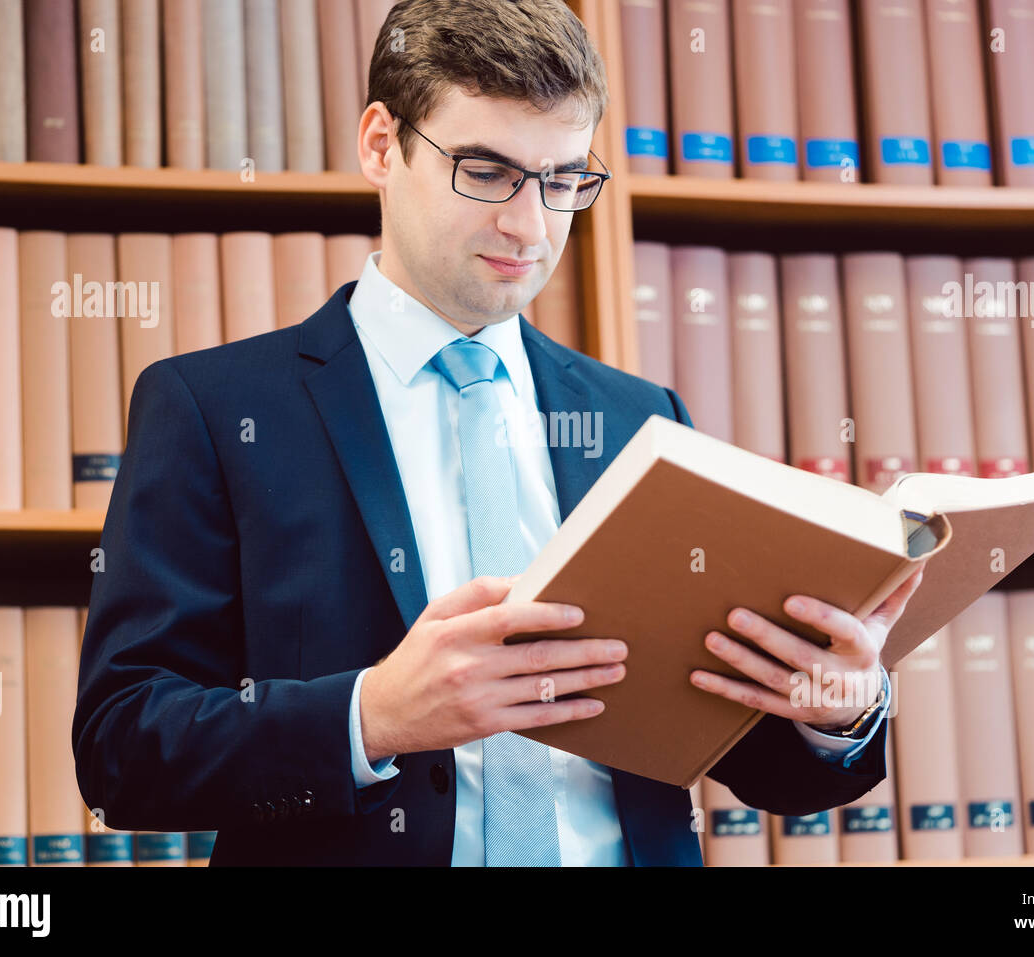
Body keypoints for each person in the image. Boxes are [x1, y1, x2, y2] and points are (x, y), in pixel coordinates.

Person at [72, 0, 919, 866]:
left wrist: (832, 708)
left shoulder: (642, 418)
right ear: (379, 145)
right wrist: (374, 714)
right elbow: (122, 748)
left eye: (562, 180)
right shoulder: (212, 407)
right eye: (486, 171)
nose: (531, 226)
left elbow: (737, 750)